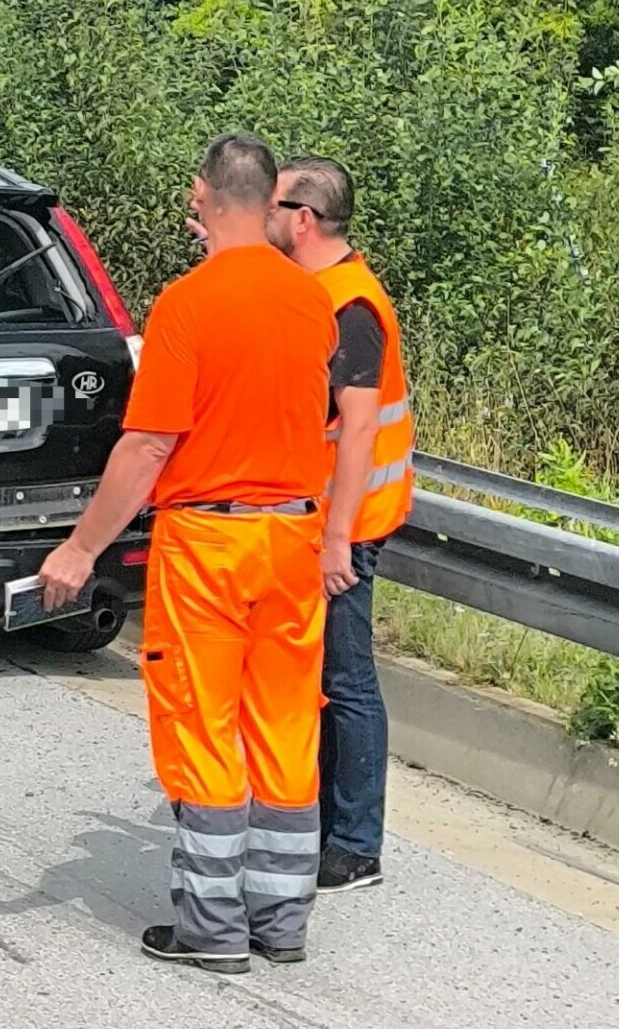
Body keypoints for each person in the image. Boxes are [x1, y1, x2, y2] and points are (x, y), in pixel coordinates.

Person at [38, 132, 337, 974]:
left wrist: (81, 545)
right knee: (283, 726)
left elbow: (146, 447)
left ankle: (211, 926)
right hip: (293, 534)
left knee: (204, 725)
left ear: (202, 195)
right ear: (273, 196)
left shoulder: (188, 303)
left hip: (210, 538)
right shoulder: (310, 300)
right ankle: (281, 920)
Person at [267, 156, 415, 894]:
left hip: (347, 524)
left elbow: (355, 432)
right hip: (321, 517)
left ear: (303, 217)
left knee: (348, 680)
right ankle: (325, 822)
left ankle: (355, 845)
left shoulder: (351, 305)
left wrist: (336, 540)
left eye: (272, 204)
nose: (260, 214)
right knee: (325, 679)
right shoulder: (316, 291)